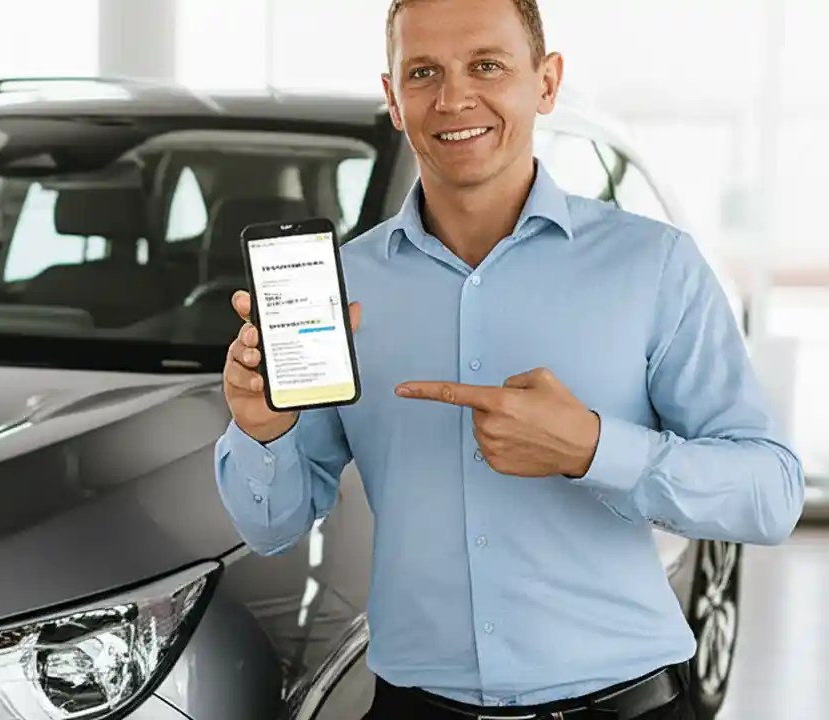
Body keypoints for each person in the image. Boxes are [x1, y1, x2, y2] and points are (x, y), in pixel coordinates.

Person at [213, 0, 806, 718]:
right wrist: (262, 432)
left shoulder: (654, 266)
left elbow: (771, 494)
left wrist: (591, 447)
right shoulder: (346, 288)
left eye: (487, 65)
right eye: (423, 71)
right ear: (394, 99)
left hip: (627, 704)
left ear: (546, 82)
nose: (454, 97)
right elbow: (272, 527)